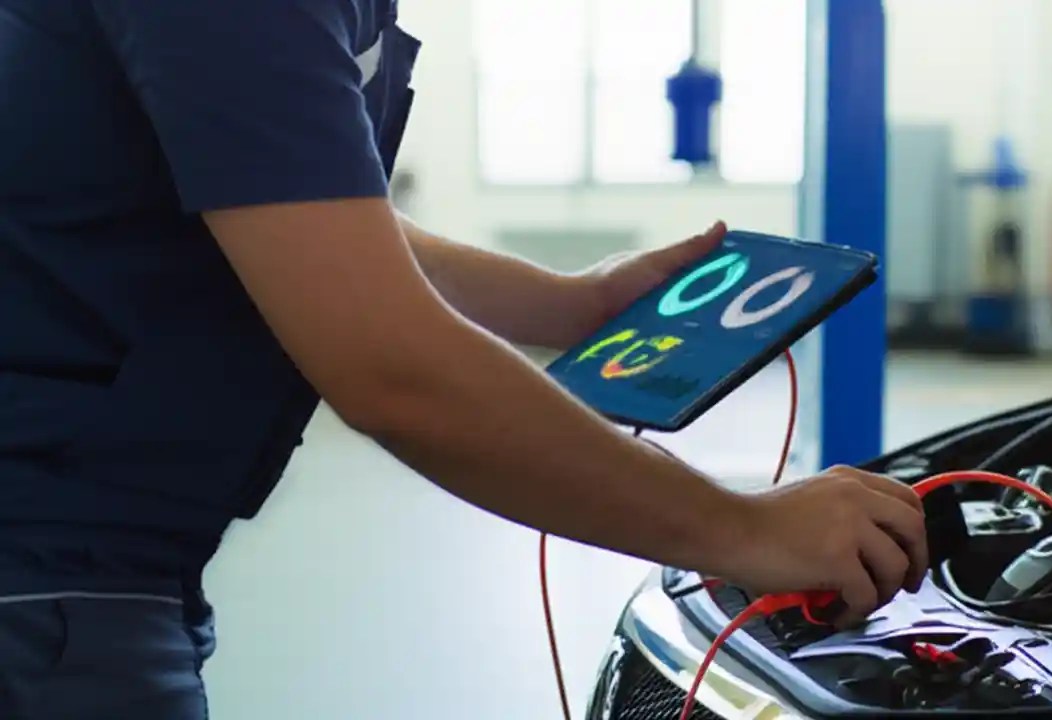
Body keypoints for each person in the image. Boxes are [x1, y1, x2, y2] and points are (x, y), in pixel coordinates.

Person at [0, 1, 927, 717]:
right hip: (45, 576)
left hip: (101, 563)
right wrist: (739, 528)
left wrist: (572, 303)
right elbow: (389, 365)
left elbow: (299, 212)